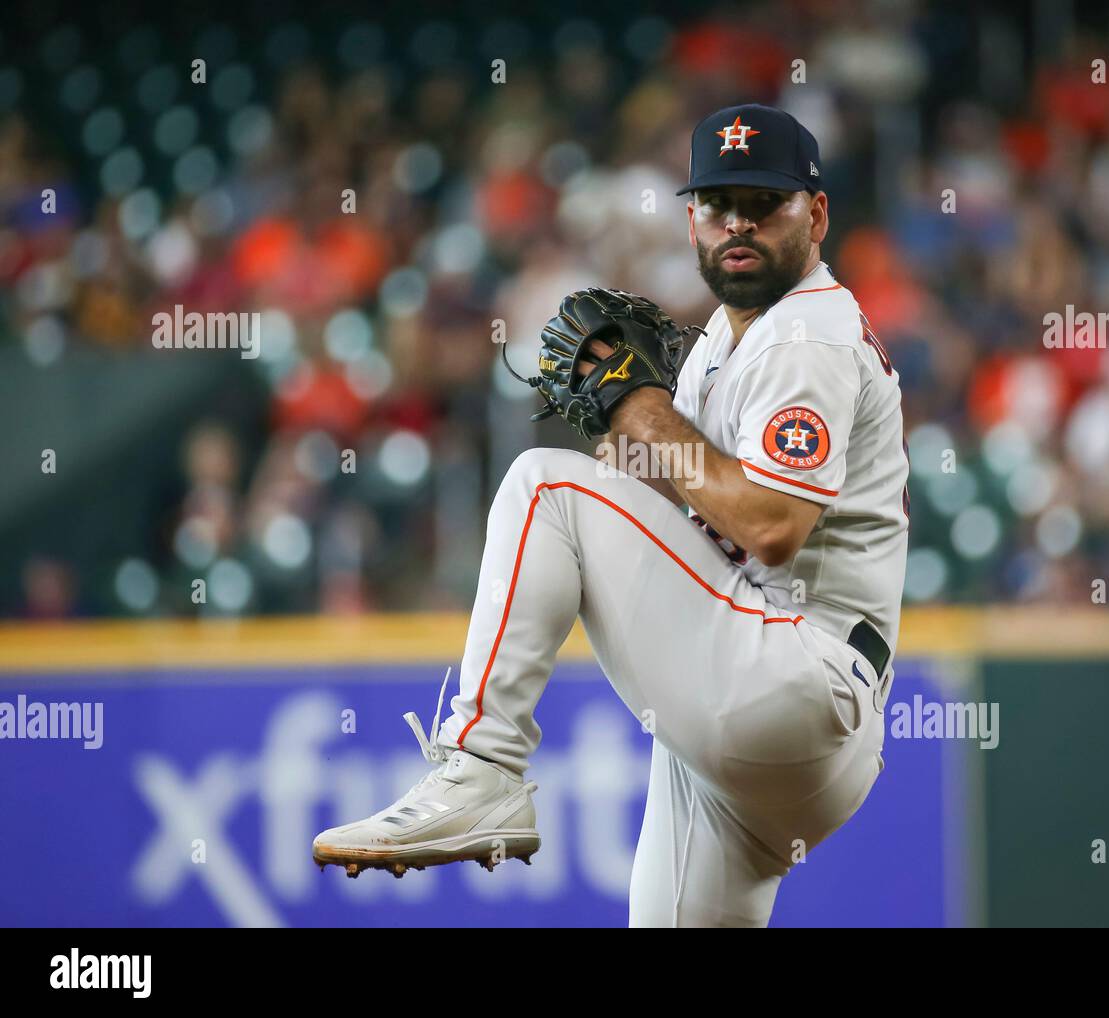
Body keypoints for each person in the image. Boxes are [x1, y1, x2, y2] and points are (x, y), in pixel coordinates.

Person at [313, 104, 910, 927]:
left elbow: (771, 525)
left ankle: (483, 763)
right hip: (773, 729)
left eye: (764, 202)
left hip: (795, 680)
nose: (737, 222)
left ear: (816, 214)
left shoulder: (804, 335)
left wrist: (639, 410)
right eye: (716, 203)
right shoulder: (724, 345)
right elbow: (683, 505)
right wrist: (633, 445)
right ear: (690, 217)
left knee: (541, 489)